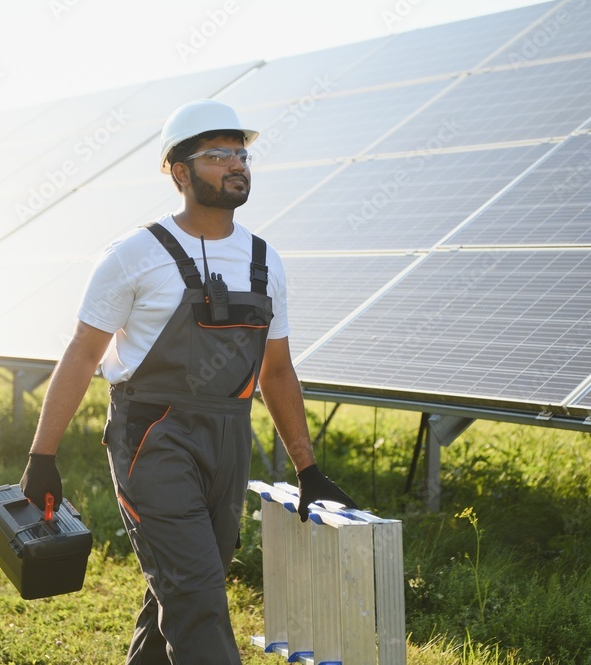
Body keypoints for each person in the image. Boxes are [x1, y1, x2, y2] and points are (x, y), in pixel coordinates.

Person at [19, 99, 357, 664]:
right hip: (152, 436)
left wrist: (308, 468)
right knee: (198, 597)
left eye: (241, 153)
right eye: (218, 154)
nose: (237, 164)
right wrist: (41, 456)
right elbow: (81, 355)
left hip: (229, 437)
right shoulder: (134, 255)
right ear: (179, 171)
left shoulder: (265, 259)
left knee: (181, 586)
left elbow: (276, 370)